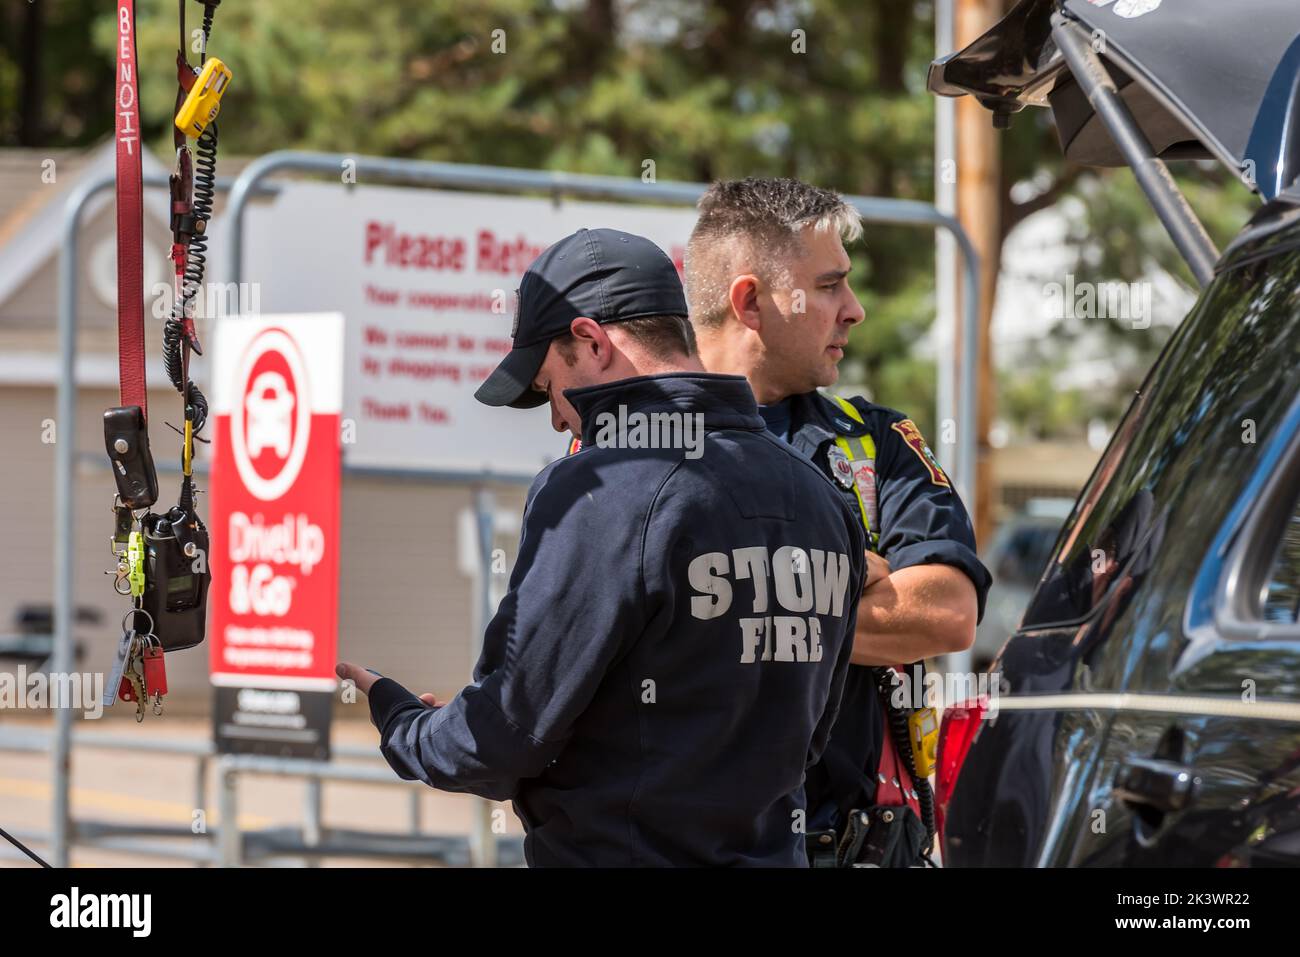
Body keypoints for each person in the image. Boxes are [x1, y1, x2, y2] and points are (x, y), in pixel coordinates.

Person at [337, 227, 867, 867]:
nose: (558, 418)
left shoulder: (602, 485)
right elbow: (806, 737)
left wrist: (404, 726)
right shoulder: (819, 496)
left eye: (548, 385)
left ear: (591, 342)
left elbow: (505, 736)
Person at [683, 178, 994, 866]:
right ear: (750, 301)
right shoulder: (635, 450)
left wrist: (725, 599)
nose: (853, 310)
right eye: (829, 286)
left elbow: (947, 613)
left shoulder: (878, 443)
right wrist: (845, 579)